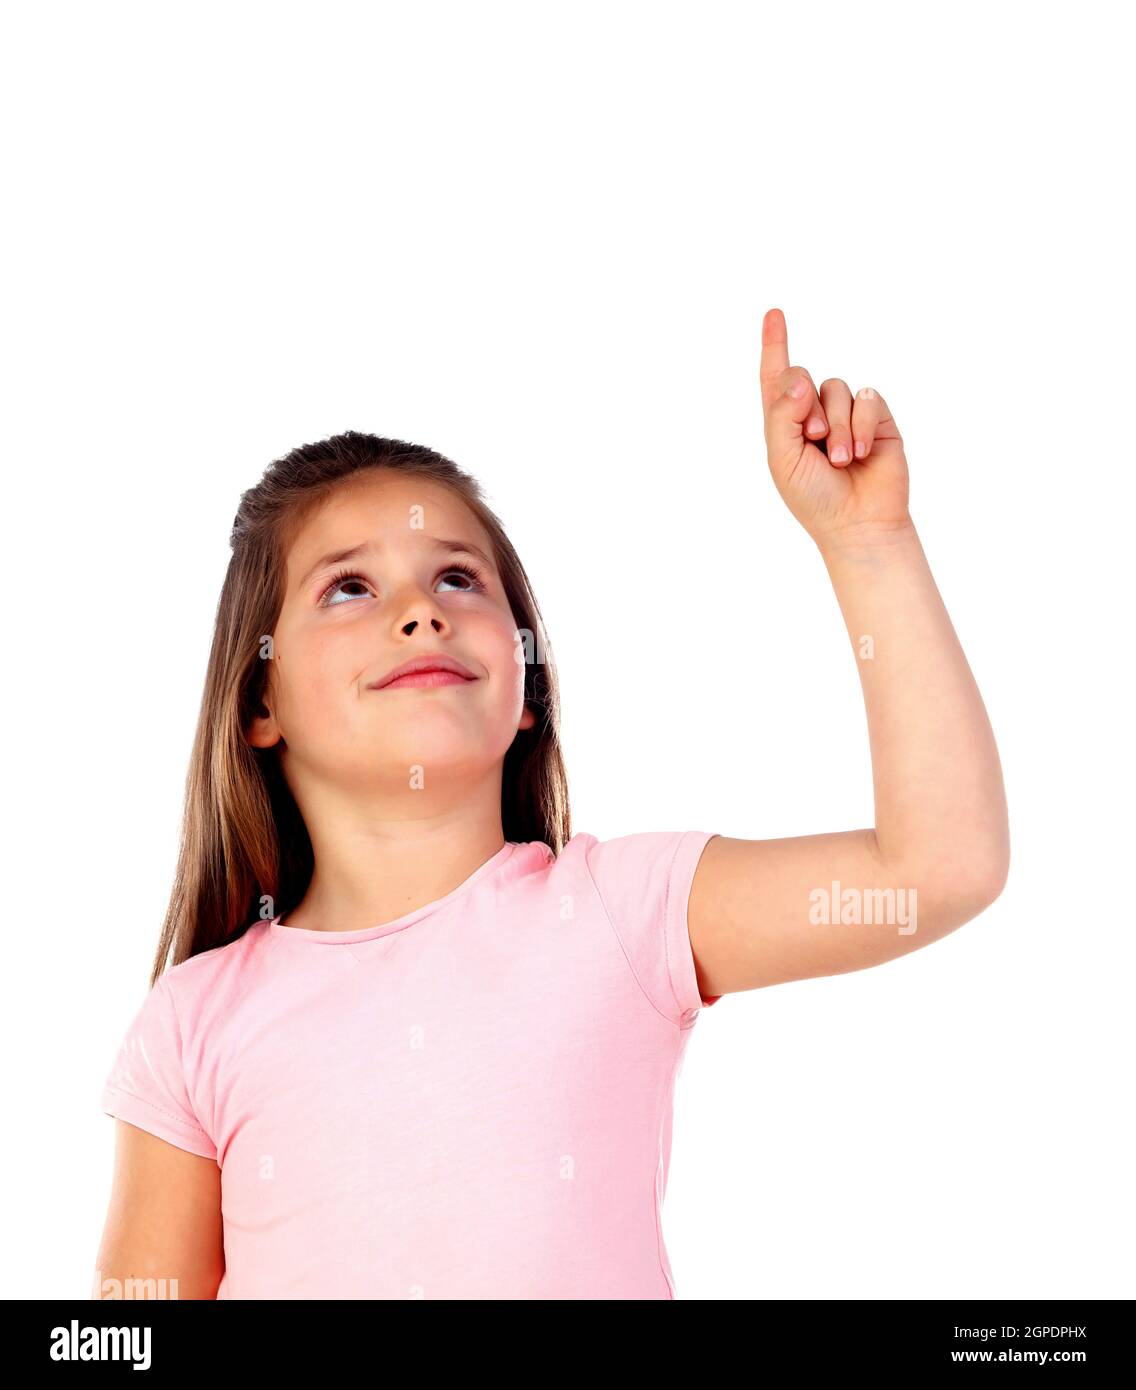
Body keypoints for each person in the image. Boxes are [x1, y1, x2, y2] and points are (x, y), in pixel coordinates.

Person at [94, 307, 1009, 1300]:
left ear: (525, 683)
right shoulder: (193, 1022)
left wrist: (866, 541)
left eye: (457, 576)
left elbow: (936, 869)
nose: (420, 608)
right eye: (348, 589)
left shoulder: (618, 911)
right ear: (259, 698)